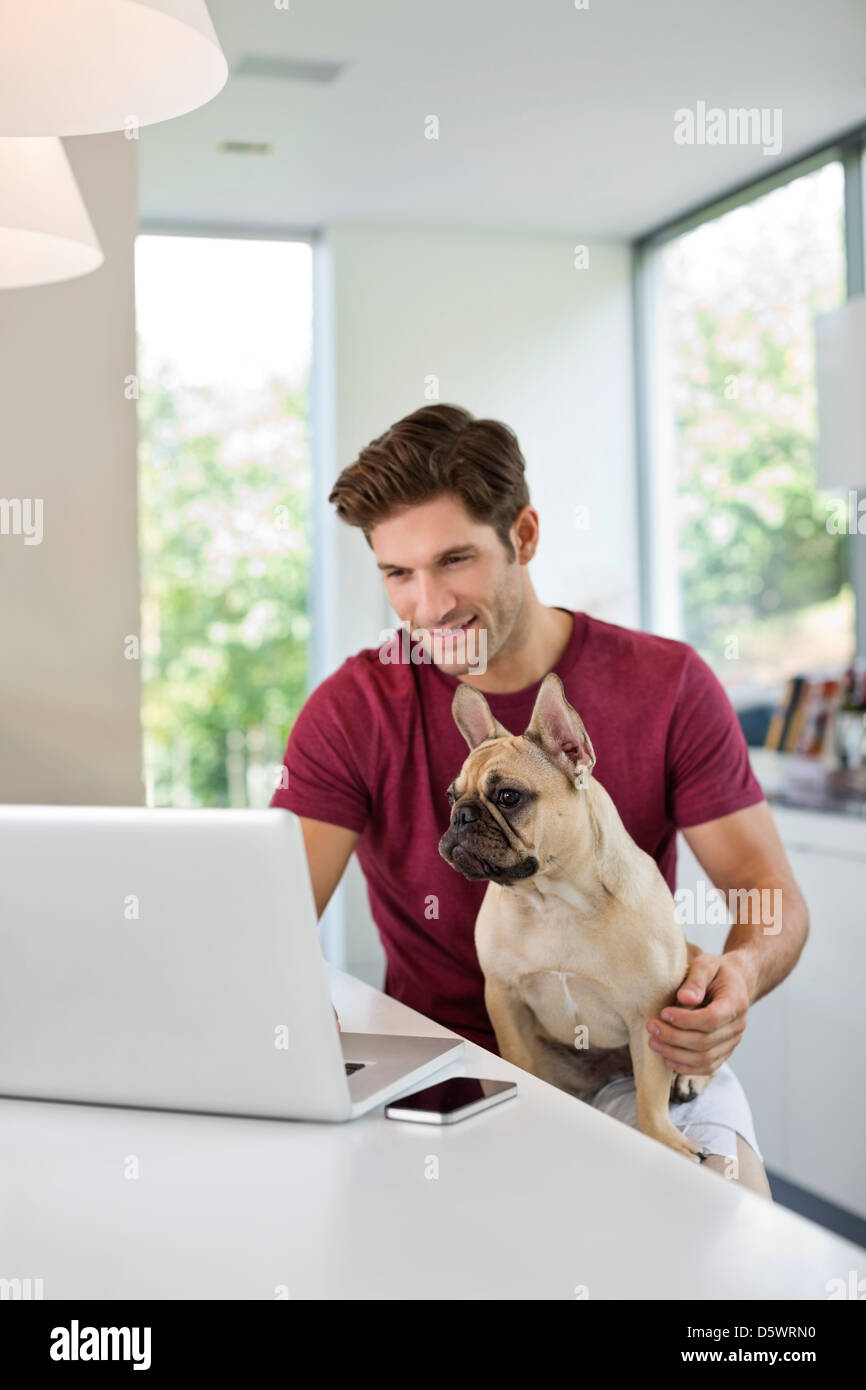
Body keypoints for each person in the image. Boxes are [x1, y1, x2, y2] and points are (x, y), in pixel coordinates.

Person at [271, 403, 809, 1198]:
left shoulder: (666, 684)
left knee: (735, 1247)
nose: (429, 606)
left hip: (643, 1056)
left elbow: (767, 892)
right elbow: (275, 918)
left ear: (523, 536)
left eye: (455, 560)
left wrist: (738, 974)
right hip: (446, 1064)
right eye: (397, 574)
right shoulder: (353, 707)